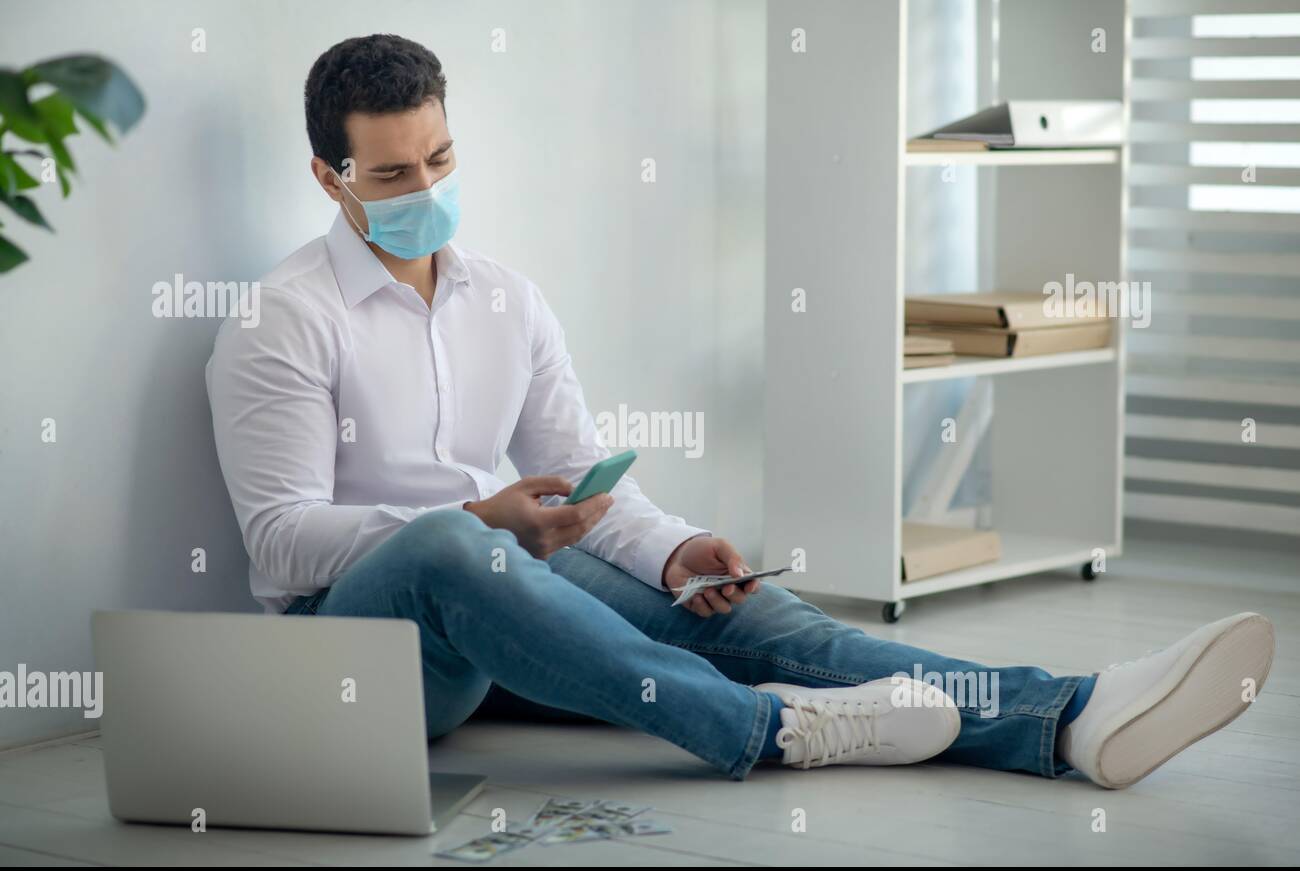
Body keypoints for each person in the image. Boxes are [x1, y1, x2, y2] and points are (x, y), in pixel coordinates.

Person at [205, 34, 1275, 787]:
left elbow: (583, 476)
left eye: (440, 158)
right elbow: (283, 542)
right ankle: (773, 732)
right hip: (365, 651)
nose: (426, 185)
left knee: (747, 611)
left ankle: (1068, 713)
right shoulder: (281, 319)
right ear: (328, 175)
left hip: (509, 601)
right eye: (393, 173)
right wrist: (483, 524)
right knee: (450, 541)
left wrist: (670, 552)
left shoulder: (505, 298)